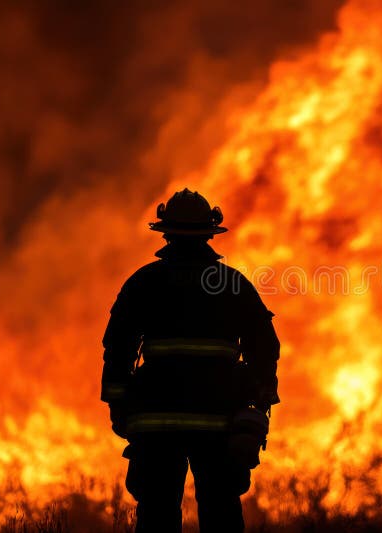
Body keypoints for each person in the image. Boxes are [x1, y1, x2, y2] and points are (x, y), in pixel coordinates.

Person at [100, 188, 280, 532]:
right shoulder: (232, 284)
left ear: (165, 232)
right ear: (210, 233)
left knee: (157, 514)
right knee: (221, 511)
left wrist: (118, 404)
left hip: (155, 422)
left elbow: (118, 349)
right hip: (220, 423)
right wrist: (258, 402)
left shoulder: (143, 283)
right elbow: (265, 347)